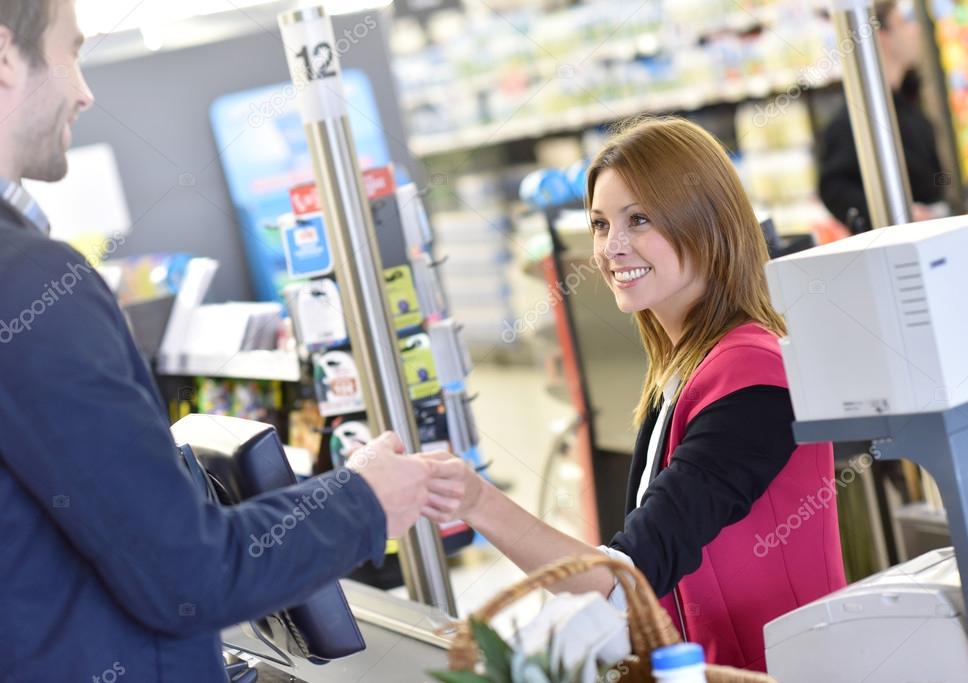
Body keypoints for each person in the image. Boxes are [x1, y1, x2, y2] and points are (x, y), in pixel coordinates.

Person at [0, 2, 462, 680]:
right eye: (71, 52)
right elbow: (186, 575)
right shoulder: (30, 281)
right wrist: (363, 500)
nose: (84, 89)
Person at [426, 117, 846, 671]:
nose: (611, 248)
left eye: (639, 220)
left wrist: (477, 501)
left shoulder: (752, 377)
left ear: (708, 224)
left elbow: (628, 577)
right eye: (600, 224)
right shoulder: (681, 367)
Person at [818, 0, 946, 230]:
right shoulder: (853, 122)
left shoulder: (907, 106)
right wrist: (900, 214)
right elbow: (834, 188)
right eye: (904, 22)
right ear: (881, 36)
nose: (915, 30)